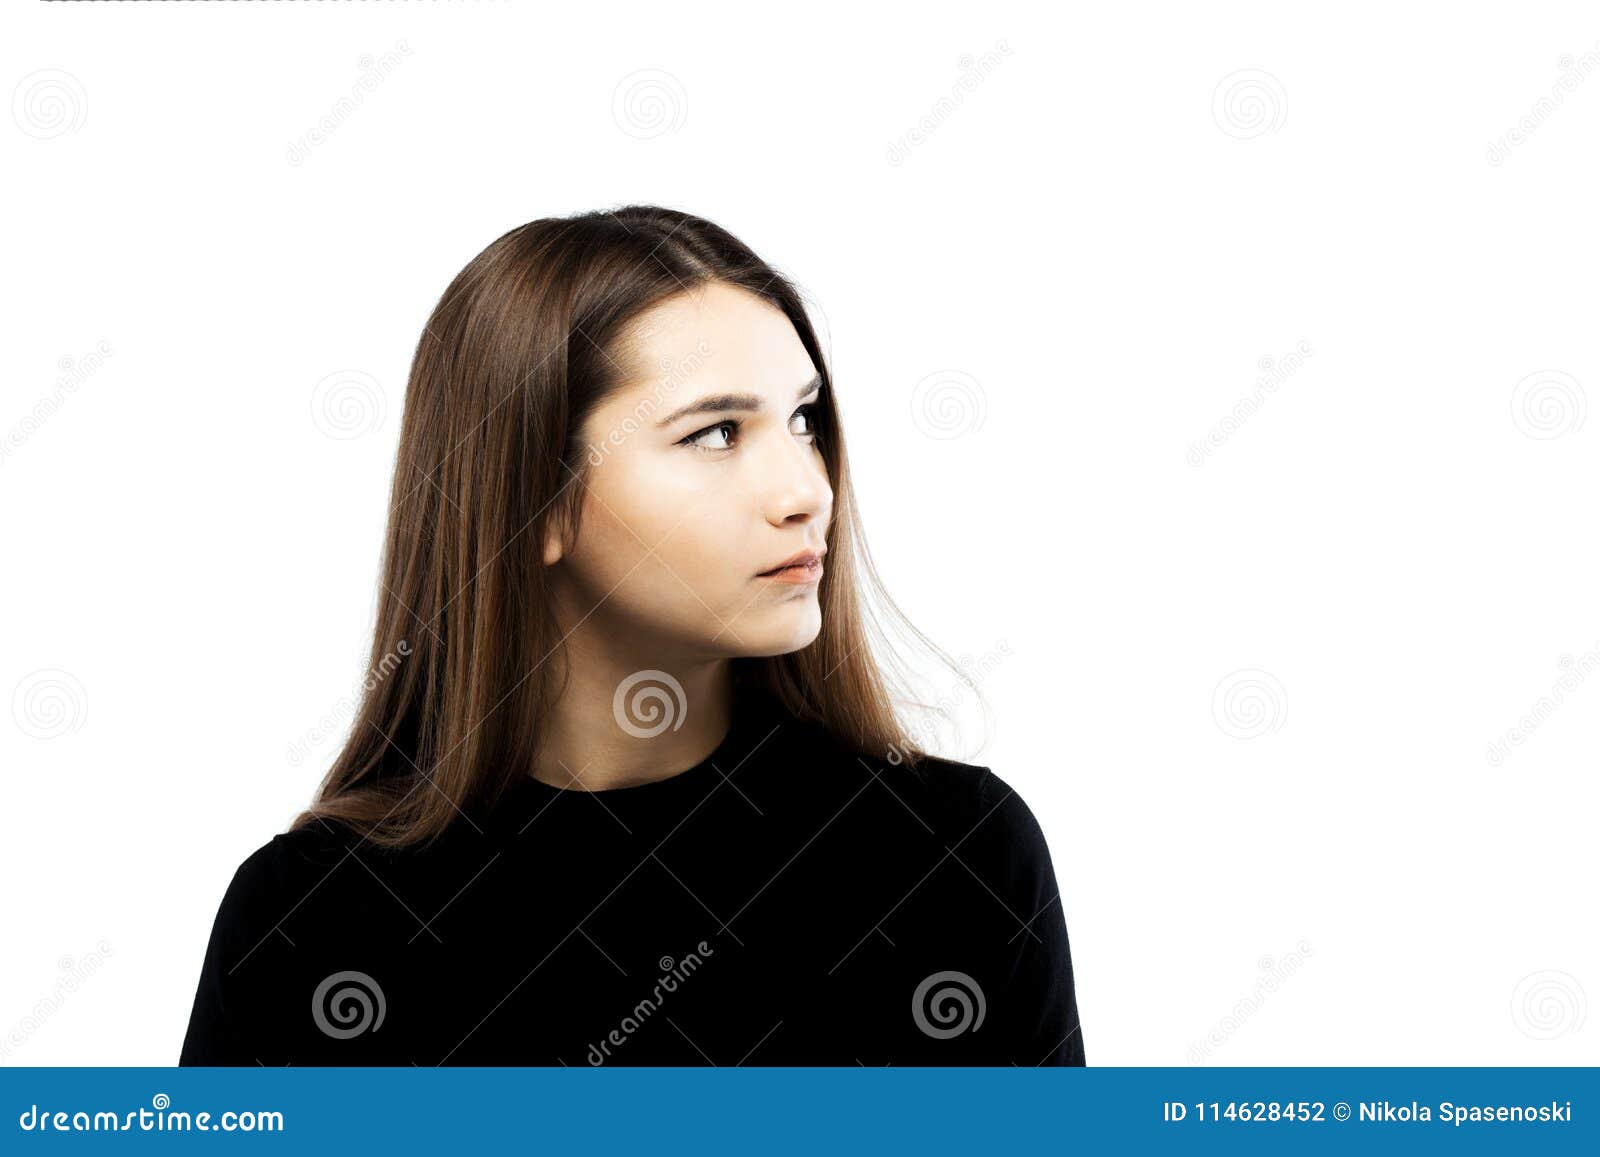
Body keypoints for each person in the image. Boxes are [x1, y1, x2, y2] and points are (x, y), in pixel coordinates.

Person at [178, 205, 1085, 1066]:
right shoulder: (308, 920)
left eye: (804, 419)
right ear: (534, 500)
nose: (807, 490)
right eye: (717, 432)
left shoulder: (956, 858)